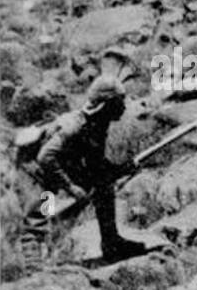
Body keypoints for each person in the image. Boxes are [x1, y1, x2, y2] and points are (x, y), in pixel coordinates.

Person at [24, 76, 145, 263]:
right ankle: (31, 264)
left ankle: (111, 243)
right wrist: (71, 187)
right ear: (107, 104)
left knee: (104, 184)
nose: (124, 106)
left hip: (62, 166)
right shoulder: (75, 126)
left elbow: (97, 167)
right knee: (42, 211)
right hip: (40, 169)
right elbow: (45, 157)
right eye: (120, 101)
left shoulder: (98, 125)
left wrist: (122, 169)